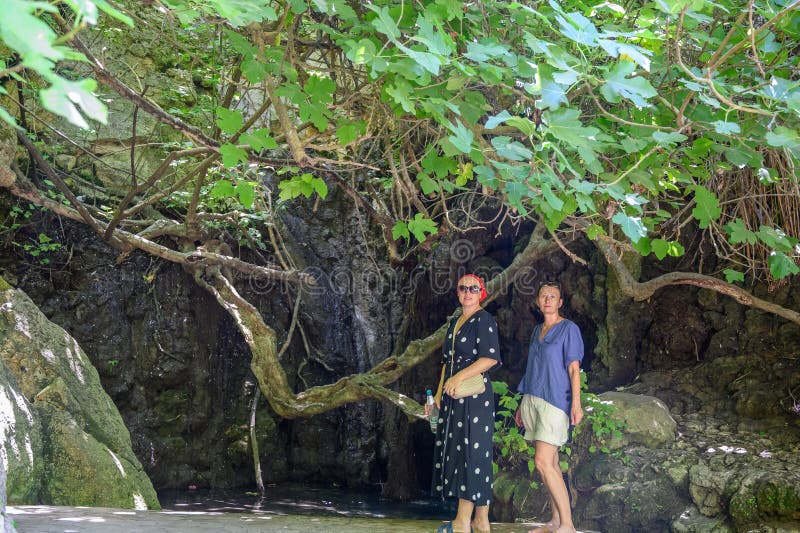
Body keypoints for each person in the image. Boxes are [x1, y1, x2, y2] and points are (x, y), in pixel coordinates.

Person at [427, 274, 502, 533]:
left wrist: (459, 376)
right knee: (469, 453)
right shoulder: (456, 322)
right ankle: (481, 521)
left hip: (474, 398)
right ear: (458, 293)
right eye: (463, 288)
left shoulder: (484, 320)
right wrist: (437, 395)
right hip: (453, 396)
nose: (468, 292)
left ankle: (461, 523)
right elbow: (447, 362)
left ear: (481, 292)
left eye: (473, 288)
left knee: (470, 455)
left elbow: (490, 359)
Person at [515, 281, 584, 533]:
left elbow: (574, 369)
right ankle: (555, 521)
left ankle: (568, 525)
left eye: (553, 296)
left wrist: (576, 404)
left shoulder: (568, 329)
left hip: (555, 402)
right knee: (551, 464)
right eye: (543, 295)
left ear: (560, 302)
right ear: (537, 301)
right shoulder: (537, 331)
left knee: (542, 462)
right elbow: (532, 368)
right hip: (532, 399)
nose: (547, 300)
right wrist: (522, 403)